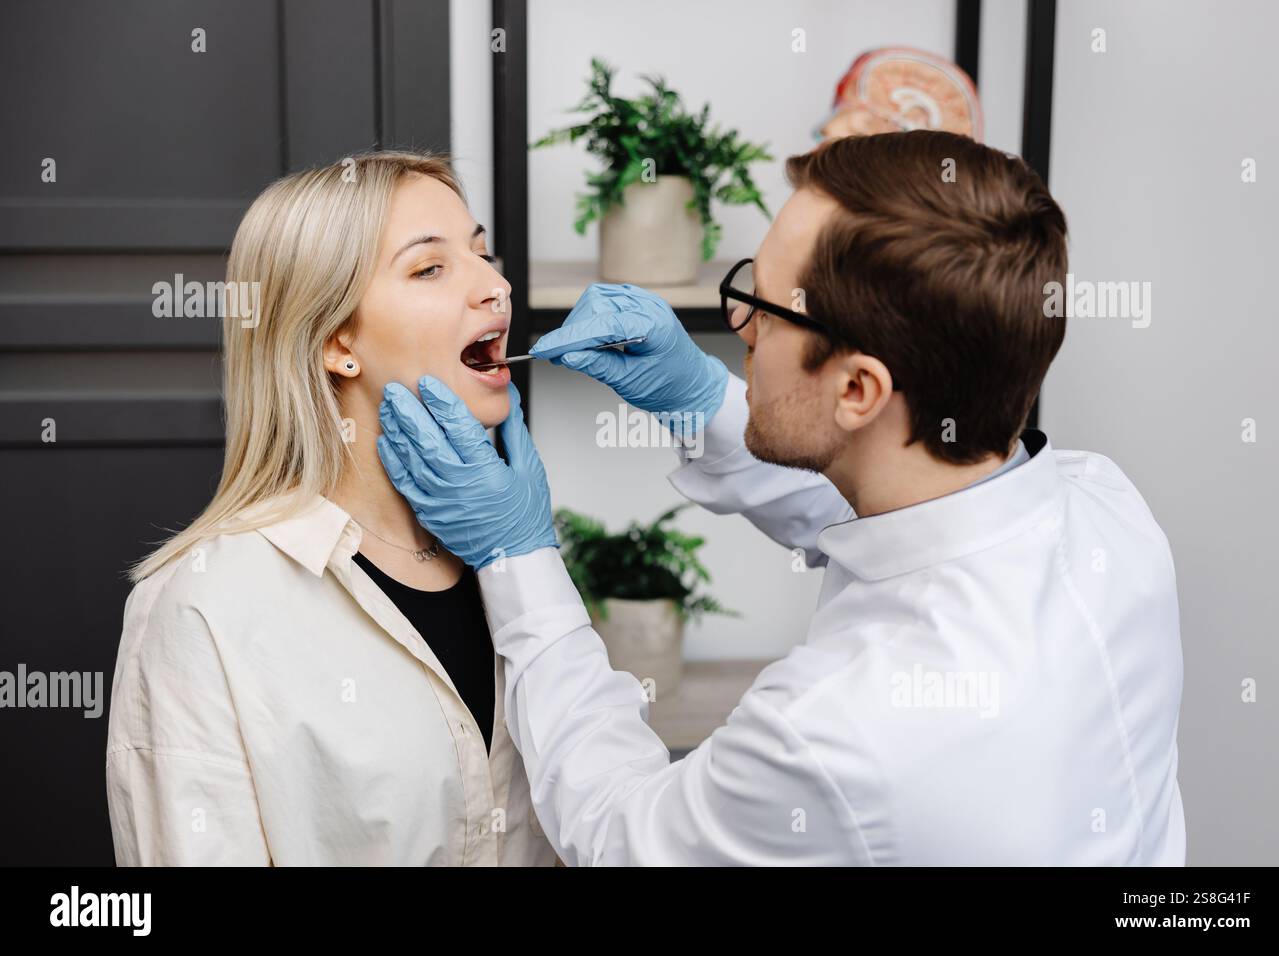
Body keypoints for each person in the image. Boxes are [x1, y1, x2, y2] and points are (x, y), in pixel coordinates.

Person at [378, 130, 1186, 866]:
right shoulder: (1107, 512)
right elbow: (887, 508)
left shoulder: (840, 734)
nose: (735, 322)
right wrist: (695, 397)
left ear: (860, 388)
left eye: (761, 306)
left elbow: (621, 834)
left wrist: (518, 557)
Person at [106, 151, 558, 865]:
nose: (497, 287)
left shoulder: (518, 565)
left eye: (483, 254)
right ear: (337, 342)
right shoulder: (203, 610)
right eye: (430, 268)